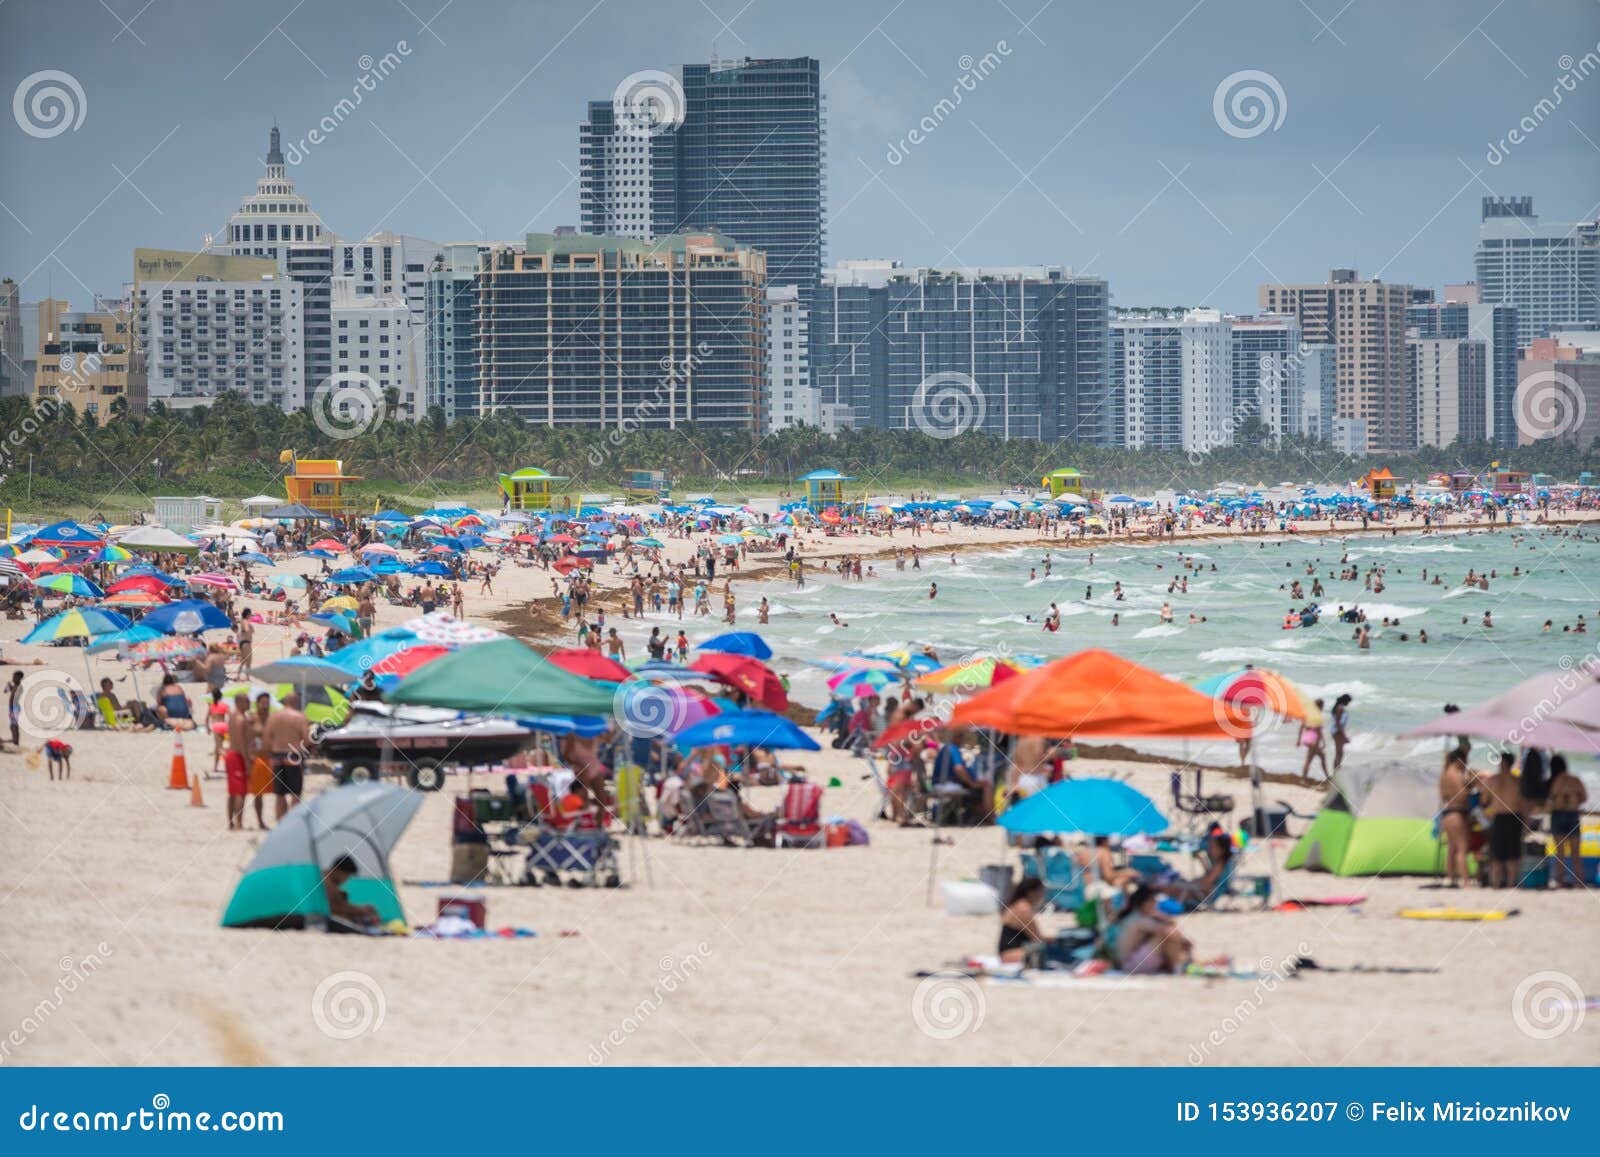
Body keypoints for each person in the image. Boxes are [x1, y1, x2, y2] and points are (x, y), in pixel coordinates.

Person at [1112, 884, 1193, 974]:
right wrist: (1185, 941)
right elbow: (1168, 931)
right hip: (1131, 965)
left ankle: (1177, 966)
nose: (1155, 904)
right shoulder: (1138, 919)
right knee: (1165, 936)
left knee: (1165, 935)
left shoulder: (1135, 916)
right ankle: (1177, 967)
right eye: (1153, 901)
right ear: (1144, 902)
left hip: (1128, 963)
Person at [262, 692, 312, 819]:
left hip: (277, 756)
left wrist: (270, 754)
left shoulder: (273, 717)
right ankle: (293, 823)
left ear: (284, 702)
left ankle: (280, 823)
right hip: (294, 757)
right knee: (295, 794)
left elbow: (266, 740)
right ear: (296, 702)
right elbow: (306, 740)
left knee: (280, 794)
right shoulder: (300, 717)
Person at [1481, 753, 1527, 888]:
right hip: (1514, 817)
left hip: (1499, 817)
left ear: (1502, 763)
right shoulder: (1517, 780)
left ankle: (1495, 884)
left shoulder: (1492, 780)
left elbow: (1484, 800)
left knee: (1497, 854)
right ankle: (1511, 884)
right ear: (1511, 763)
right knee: (1512, 854)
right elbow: (1523, 803)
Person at [1546, 755, 1588, 888]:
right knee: (1576, 852)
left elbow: (1549, 798)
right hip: (1572, 814)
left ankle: (1559, 880)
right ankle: (1580, 881)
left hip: (1558, 814)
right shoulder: (1575, 780)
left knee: (1560, 852)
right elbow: (1584, 797)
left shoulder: (1553, 781)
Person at [1437, 749, 1473, 887]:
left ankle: (1451, 879)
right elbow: (1462, 795)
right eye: (1465, 761)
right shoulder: (1457, 774)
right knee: (1462, 849)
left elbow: (1443, 796)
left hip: (1447, 813)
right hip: (1458, 814)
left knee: (1451, 849)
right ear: (1459, 760)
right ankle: (1466, 882)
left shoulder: (1444, 774)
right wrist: (1470, 787)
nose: (1466, 764)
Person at [997, 878, 1048, 964]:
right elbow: (1036, 938)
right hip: (1013, 954)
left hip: (1007, 953)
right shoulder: (1023, 909)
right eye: (1041, 892)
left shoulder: (1016, 904)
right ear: (1032, 892)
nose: (1042, 895)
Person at [322, 855, 381, 928]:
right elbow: (332, 907)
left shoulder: (328, 879)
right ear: (337, 870)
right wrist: (360, 910)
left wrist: (360, 909)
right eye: (346, 875)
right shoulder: (326, 882)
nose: (346, 879)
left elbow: (338, 905)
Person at [224, 692, 252, 831]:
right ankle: (239, 822)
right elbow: (242, 742)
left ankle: (230, 822)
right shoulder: (242, 719)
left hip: (230, 754)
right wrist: (247, 760)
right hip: (238, 756)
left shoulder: (232, 717)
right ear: (239, 702)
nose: (249, 703)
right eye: (247, 701)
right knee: (240, 792)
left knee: (232, 792)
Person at [1298, 699, 1328, 781]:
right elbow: (1319, 731)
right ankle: (1304, 779)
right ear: (1320, 706)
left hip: (1307, 738)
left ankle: (1327, 777)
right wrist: (1323, 742)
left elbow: (1302, 727)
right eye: (1322, 706)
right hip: (1313, 740)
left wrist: (1299, 739)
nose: (1323, 707)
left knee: (1320, 757)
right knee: (1310, 759)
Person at [1329, 693, 1352, 770]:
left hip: (1336, 730)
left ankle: (1337, 768)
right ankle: (1337, 769)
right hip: (1337, 731)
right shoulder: (1340, 708)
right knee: (1339, 752)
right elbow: (1338, 722)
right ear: (1345, 701)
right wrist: (1344, 735)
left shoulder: (1339, 707)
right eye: (1348, 702)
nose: (1348, 703)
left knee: (1339, 752)